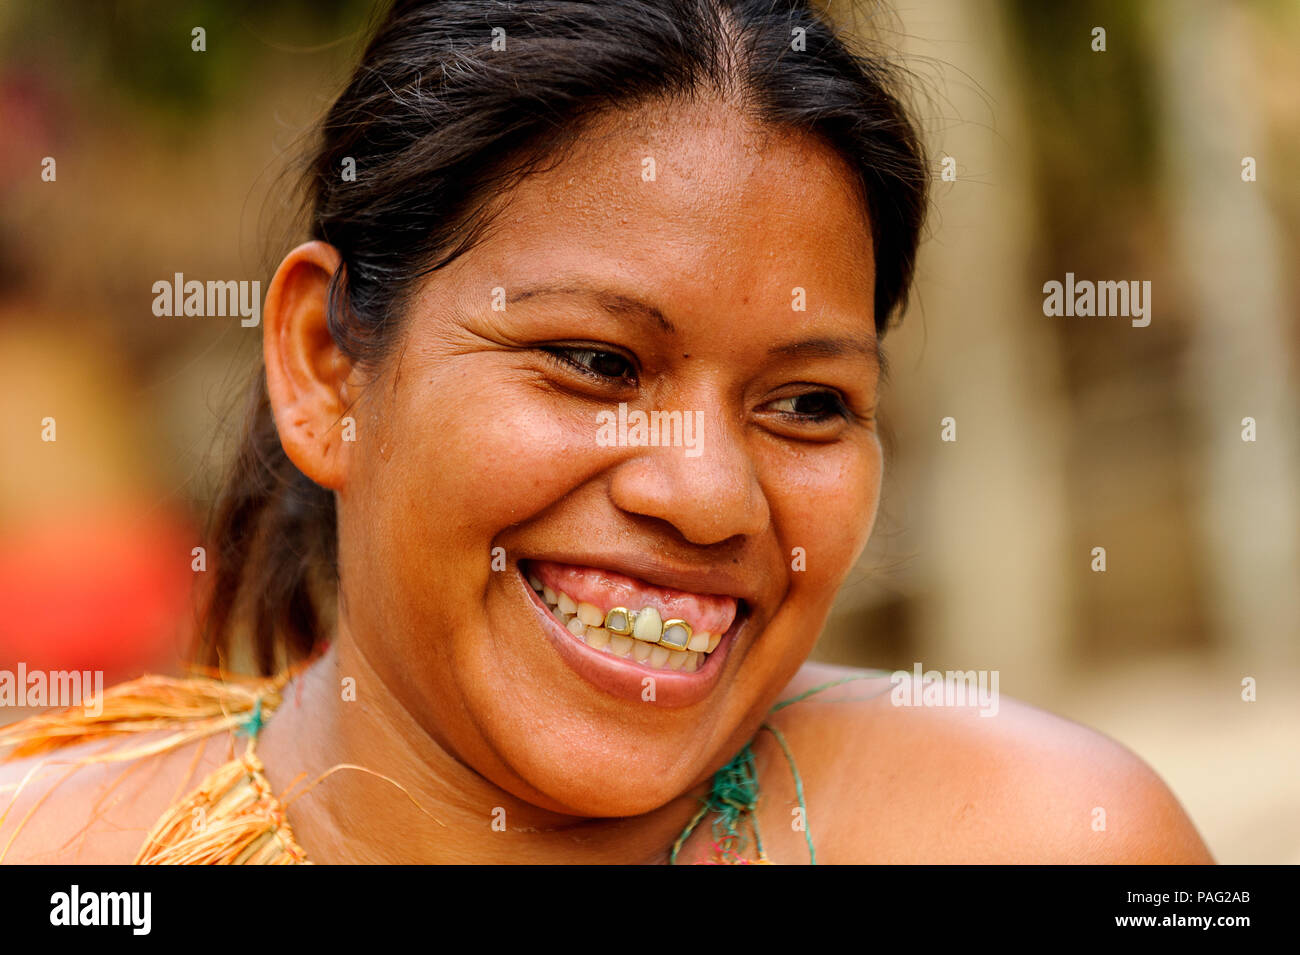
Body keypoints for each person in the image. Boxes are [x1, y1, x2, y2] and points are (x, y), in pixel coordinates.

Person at [0, 0, 1212, 864]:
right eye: (595, 362)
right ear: (327, 369)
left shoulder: (1041, 836)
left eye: (806, 404)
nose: (706, 495)